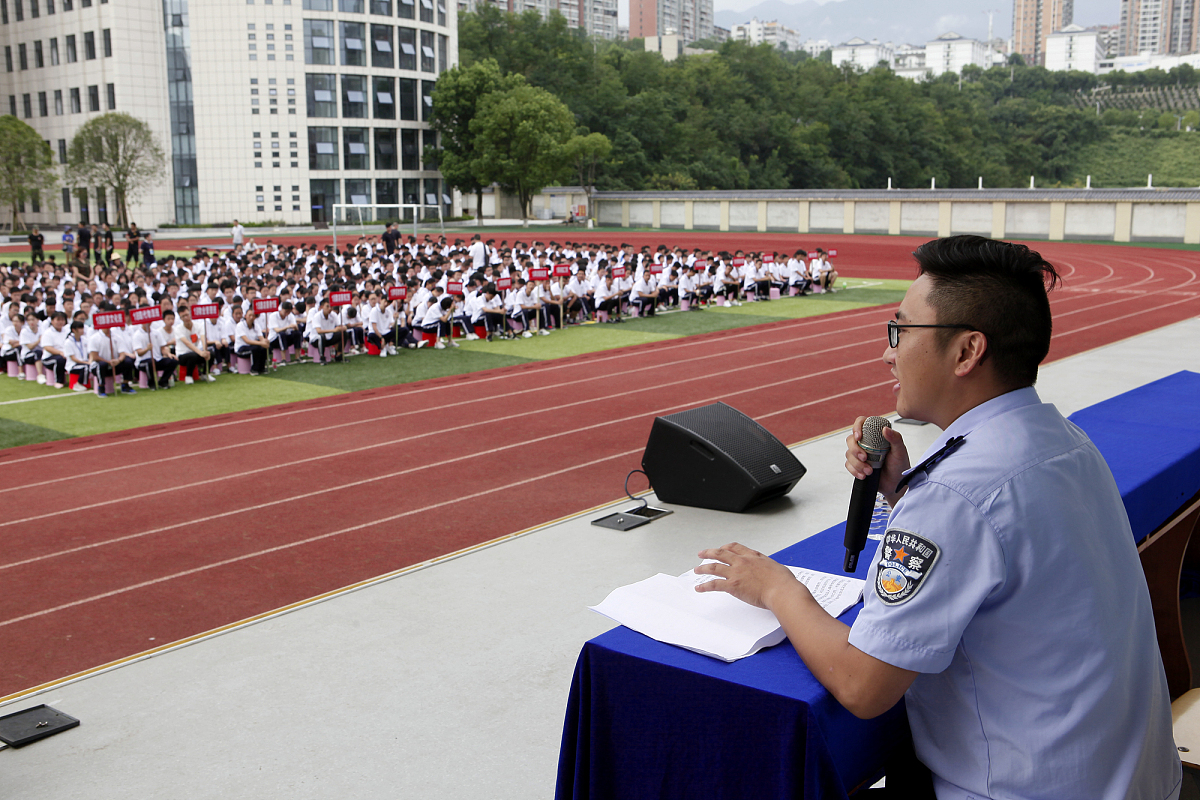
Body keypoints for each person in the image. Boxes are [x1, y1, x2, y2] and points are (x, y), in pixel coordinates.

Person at [694, 235, 1181, 800]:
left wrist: (778, 588)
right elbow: (1005, 552)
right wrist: (903, 494)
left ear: (967, 351)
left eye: (901, 330)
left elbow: (862, 685)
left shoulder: (955, 494)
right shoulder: (1066, 441)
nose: (888, 352)